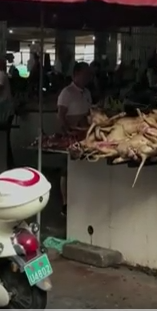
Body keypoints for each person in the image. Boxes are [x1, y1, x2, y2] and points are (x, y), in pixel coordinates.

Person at [56, 62, 93, 216]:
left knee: (82, 168)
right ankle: (65, 203)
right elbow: (60, 115)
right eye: (85, 74)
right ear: (76, 74)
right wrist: (67, 130)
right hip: (70, 136)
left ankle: (81, 200)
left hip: (85, 136)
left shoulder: (87, 93)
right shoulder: (67, 92)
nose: (87, 77)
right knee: (66, 169)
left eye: (88, 75)